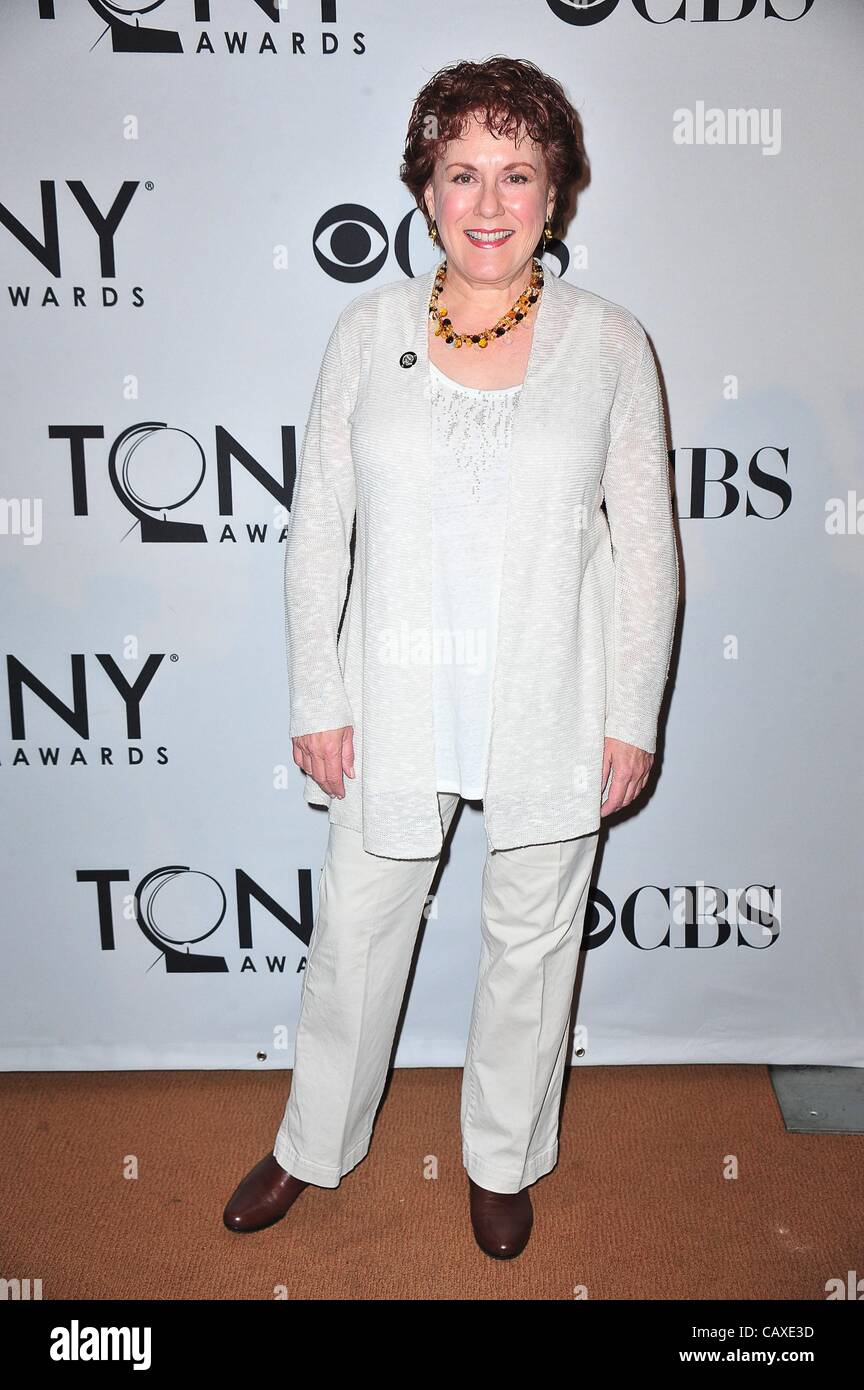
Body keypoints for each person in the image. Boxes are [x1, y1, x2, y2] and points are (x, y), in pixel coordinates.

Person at [223, 55, 679, 1260]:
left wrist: (630, 713)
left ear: (556, 194)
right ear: (425, 191)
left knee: (533, 944)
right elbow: (317, 523)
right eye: (463, 171)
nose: (489, 201)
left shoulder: (610, 344)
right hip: (394, 696)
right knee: (354, 940)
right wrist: (317, 691)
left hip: (552, 698)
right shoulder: (366, 334)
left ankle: (501, 1157)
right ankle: (311, 1142)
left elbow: (647, 550)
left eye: (517, 173)